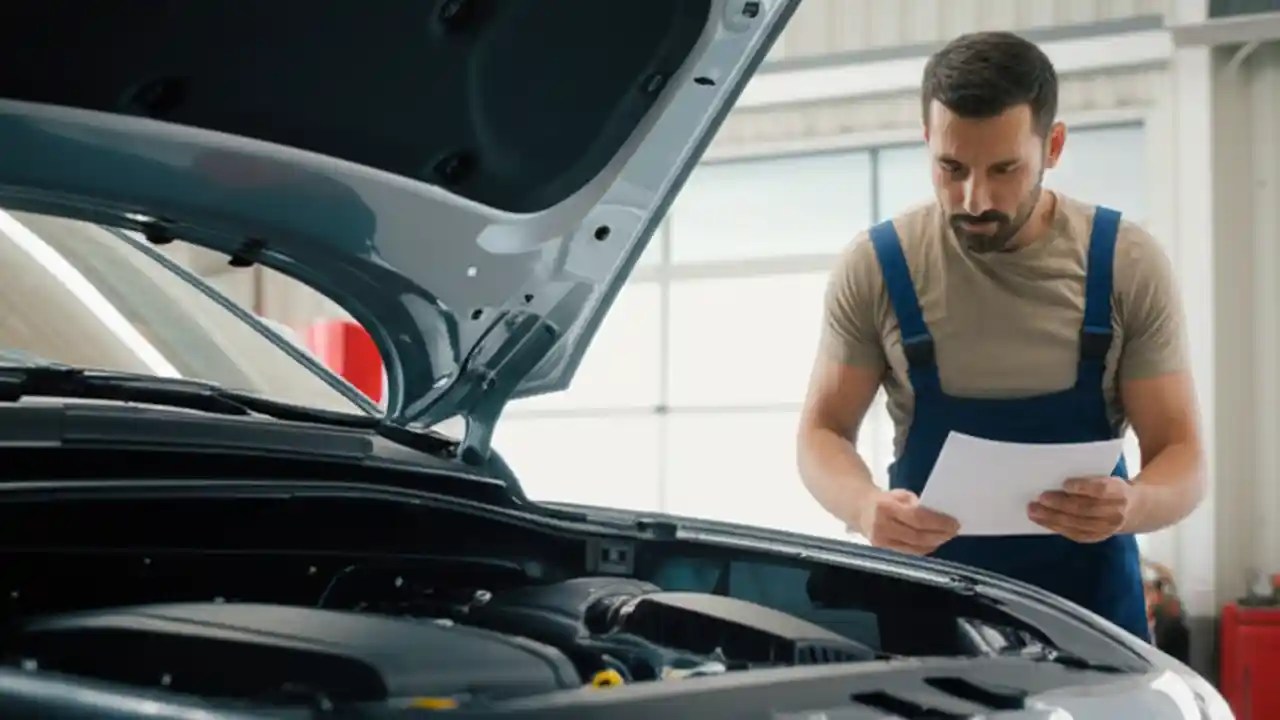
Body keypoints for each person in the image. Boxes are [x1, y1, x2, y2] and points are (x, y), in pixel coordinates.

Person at [795, 30, 1207, 642]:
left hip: (1090, 621)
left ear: (1054, 146)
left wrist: (1134, 504)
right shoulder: (879, 266)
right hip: (928, 610)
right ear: (927, 142)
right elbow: (821, 432)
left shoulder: (1125, 264)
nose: (974, 198)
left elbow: (1183, 458)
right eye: (951, 168)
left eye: (1005, 168)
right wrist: (863, 507)